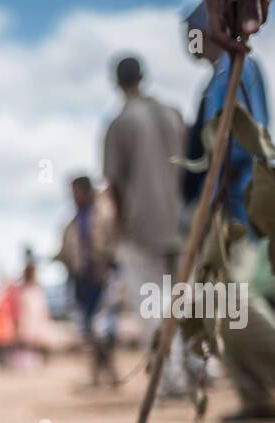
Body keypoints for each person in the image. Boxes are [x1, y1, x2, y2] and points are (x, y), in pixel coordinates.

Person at [182, 1, 275, 423]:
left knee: (228, 299)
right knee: (213, 303)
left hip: (233, 204)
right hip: (225, 203)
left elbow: (237, 143)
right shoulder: (221, 76)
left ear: (211, 29)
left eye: (190, 31)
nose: (187, 42)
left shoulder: (237, 69)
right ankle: (257, 394)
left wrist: (212, 189)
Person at [103, 54, 189, 399]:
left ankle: (170, 378)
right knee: (180, 302)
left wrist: (120, 228)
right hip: (179, 223)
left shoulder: (121, 122)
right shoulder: (173, 114)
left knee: (153, 307)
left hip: (141, 228)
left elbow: (114, 186)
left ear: (117, 82)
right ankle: (196, 369)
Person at [57, 176, 120, 388]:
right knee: (89, 329)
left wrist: (106, 264)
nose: (74, 197)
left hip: (102, 280)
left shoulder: (105, 215)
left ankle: (109, 373)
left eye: (77, 192)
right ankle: (97, 374)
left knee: (102, 328)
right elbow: (66, 252)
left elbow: (113, 244)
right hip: (82, 282)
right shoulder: (73, 223)